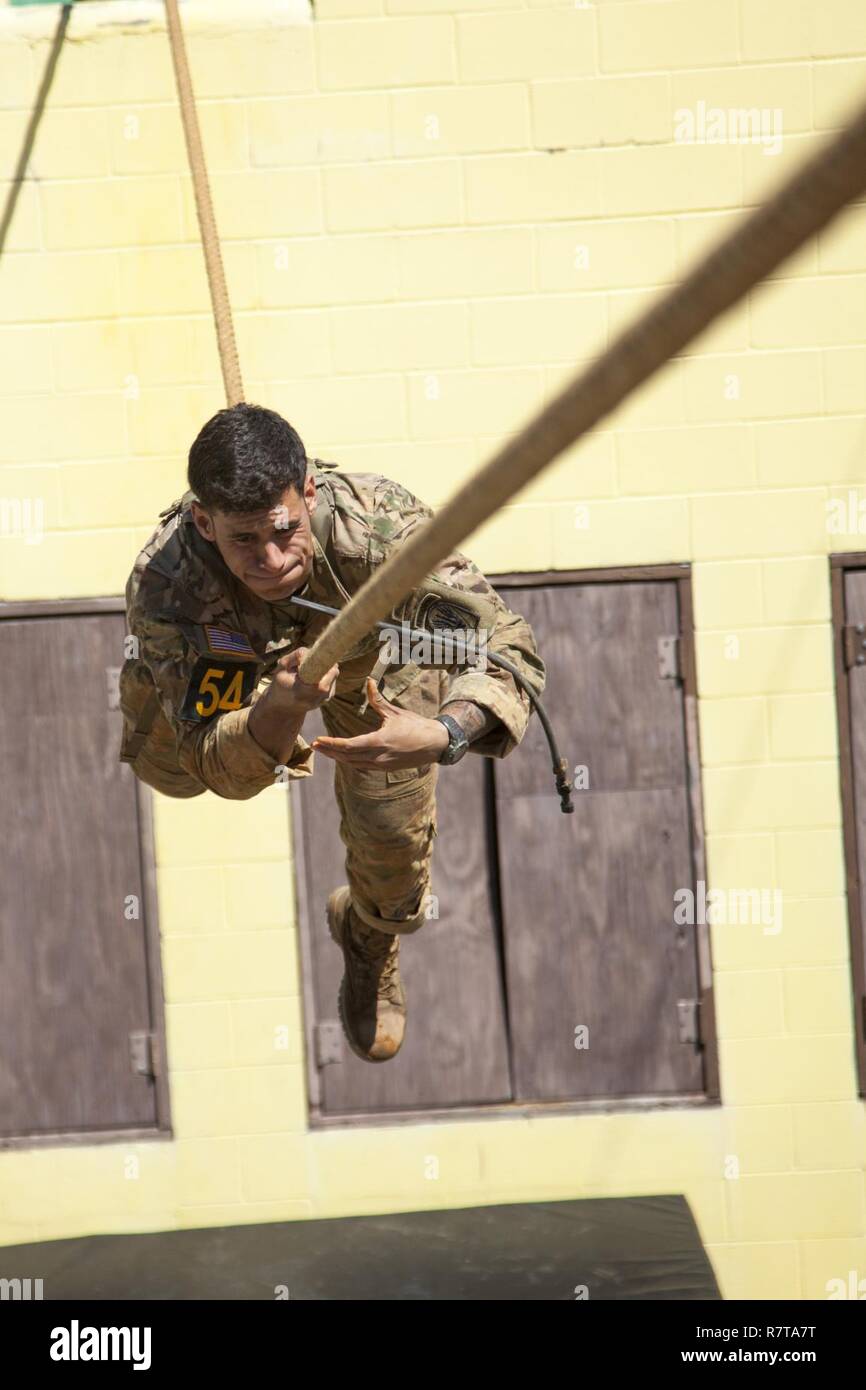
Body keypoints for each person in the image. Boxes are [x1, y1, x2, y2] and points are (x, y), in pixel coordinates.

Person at [119, 404, 545, 1062]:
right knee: (168, 774)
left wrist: (440, 736)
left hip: (372, 658)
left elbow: (506, 649)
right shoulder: (169, 582)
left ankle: (369, 936)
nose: (270, 559)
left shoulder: (378, 527)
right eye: (243, 541)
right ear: (204, 522)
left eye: (285, 532)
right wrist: (279, 711)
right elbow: (212, 762)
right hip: (239, 661)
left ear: (309, 492)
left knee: (393, 834)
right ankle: (233, 690)